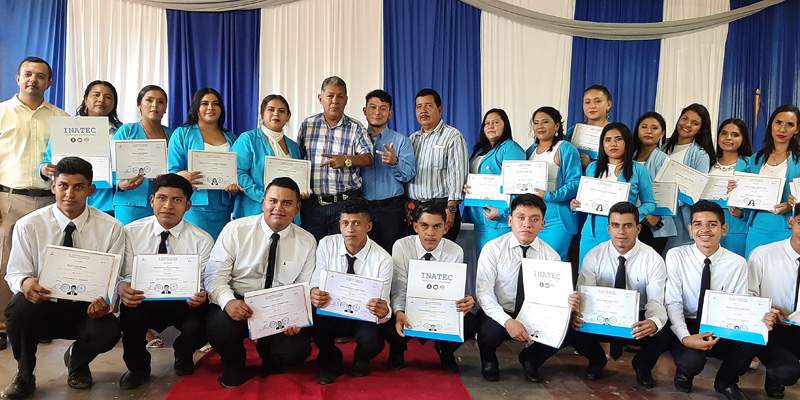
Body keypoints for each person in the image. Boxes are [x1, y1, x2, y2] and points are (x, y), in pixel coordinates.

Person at [1, 157, 124, 398]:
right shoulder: (29, 225)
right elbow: (15, 272)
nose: (69, 194)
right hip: (42, 306)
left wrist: (107, 302)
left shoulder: (111, 228)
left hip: (86, 309)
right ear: (53, 186)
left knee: (109, 329)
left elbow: (115, 276)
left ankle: (78, 362)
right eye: (63, 185)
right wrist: (26, 282)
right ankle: (24, 376)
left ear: (90, 190)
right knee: (18, 308)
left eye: (78, 187)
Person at [204, 177, 316, 388]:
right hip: (239, 299)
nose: (278, 208)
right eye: (273, 201)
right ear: (263, 202)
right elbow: (214, 276)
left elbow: (304, 286)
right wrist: (228, 302)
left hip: (279, 306)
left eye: (287, 203)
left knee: (296, 351)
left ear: (298, 208)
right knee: (220, 327)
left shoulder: (307, 241)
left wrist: (296, 318)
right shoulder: (235, 230)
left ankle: (269, 353)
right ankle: (234, 364)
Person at [665, 200, 776, 400]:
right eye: (698, 224)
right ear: (690, 229)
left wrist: (761, 317)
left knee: (753, 338)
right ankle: (684, 373)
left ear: (724, 229)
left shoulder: (738, 263)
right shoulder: (676, 256)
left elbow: (740, 304)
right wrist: (685, 337)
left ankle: (726, 381)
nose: (704, 229)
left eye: (712, 224)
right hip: (688, 322)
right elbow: (673, 302)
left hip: (721, 324)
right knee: (691, 361)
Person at [116, 173, 214, 390]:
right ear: (152, 200)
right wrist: (121, 287)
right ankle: (138, 368)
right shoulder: (130, 232)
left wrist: (203, 293)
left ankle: (183, 352)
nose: (168, 206)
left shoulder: (202, 239)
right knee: (130, 313)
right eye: (162, 198)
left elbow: (206, 280)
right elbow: (124, 274)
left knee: (201, 324)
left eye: (177, 200)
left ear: (188, 205)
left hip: (185, 302)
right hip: (144, 299)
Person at [0, 57, 69, 353]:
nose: (33, 80)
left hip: (49, 200)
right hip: (8, 197)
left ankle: (41, 323)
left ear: (49, 83)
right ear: (17, 78)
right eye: (28, 74)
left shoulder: (62, 119)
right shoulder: (2, 113)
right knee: (5, 262)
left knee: (49, 263)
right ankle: (3, 326)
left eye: (40, 76)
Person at [571, 201, 672, 388]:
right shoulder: (594, 255)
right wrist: (578, 314)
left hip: (637, 317)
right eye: (616, 225)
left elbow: (656, 301)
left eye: (627, 225)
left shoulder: (653, 259)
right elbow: (585, 295)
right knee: (572, 325)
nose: (621, 231)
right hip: (600, 315)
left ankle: (642, 366)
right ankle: (597, 359)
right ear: (608, 228)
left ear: (638, 229)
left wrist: (653, 322)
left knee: (663, 332)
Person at [475, 194, 565, 382]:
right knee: (487, 330)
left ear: (543, 224)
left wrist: (566, 302)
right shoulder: (492, 249)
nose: (527, 224)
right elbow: (484, 294)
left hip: (535, 313)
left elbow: (554, 298)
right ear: (510, 220)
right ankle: (489, 360)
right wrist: (508, 321)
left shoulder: (552, 256)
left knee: (566, 328)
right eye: (521, 218)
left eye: (534, 219)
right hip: (502, 310)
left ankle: (531, 359)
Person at [309, 197, 392, 385]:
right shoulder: (326, 244)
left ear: (368, 226)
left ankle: (362, 358)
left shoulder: (383, 259)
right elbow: (316, 281)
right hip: (332, 311)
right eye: (345, 223)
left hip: (363, 316)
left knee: (373, 340)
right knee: (314, 314)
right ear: (339, 224)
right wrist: (314, 291)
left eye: (357, 223)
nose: (350, 229)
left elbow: (385, 303)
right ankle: (330, 359)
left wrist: (383, 310)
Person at [387, 202, 477, 373]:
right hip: (409, 306)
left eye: (437, 226)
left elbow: (452, 291)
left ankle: (445, 350)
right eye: (424, 226)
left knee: (471, 321)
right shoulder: (401, 246)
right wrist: (399, 312)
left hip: (439, 309)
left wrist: (464, 300)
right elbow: (399, 286)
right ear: (415, 227)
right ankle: (397, 349)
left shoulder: (455, 251)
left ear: (446, 228)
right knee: (386, 318)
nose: (430, 233)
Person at [297, 76, 374, 242]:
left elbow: (369, 158)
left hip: (345, 204)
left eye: (340, 96)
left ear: (346, 100)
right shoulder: (307, 125)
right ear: (320, 99)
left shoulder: (355, 127)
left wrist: (347, 160)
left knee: (342, 250)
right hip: (313, 205)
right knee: (311, 249)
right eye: (330, 96)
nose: (335, 101)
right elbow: (299, 159)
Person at [570, 123, 656, 265]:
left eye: (618, 139)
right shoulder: (592, 167)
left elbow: (650, 203)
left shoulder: (638, 169)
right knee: (588, 275)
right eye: (608, 140)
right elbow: (584, 199)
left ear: (627, 142)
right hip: (592, 233)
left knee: (622, 274)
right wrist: (576, 203)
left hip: (624, 234)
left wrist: (632, 217)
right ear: (602, 144)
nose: (613, 144)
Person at [41, 80, 123, 216]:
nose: (101, 100)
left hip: (107, 202)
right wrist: (44, 168)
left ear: (114, 103)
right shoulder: (65, 128)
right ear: (86, 99)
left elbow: (124, 167)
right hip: (69, 201)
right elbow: (48, 160)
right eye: (96, 95)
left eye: (108, 97)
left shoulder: (122, 132)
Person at [168, 88, 240, 240]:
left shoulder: (231, 137)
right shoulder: (182, 133)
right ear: (196, 107)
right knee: (194, 248)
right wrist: (183, 176)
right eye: (204, 103)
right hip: (192, 205)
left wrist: (235, 184)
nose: (210, 108)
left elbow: (238, 169)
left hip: (222, 206)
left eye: (216, 104)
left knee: (220, 250)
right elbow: (171, 171)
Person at [731, 105, 800, 257]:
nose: (782, 129)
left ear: (797, 129)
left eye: (790, 125)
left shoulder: (798, 160)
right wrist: (736, 192)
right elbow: (747, 194)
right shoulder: (756, 159)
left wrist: (790, 206)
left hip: (787, 228)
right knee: (754, 268)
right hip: (757, 227)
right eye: (778, 122)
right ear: (771, 125)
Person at [748, 203, 800, 399]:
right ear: (791, 221)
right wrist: (767, 309)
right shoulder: (763, 254)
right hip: (772, 328)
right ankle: (776, 376)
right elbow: (748, 294)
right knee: (786, 372)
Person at [406, 88, 468, 242]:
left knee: (442, 255)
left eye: (428, 105)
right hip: (415, 210)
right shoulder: (412, 139)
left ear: (439, 109)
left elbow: (458, 174)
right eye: (419, 106)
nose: (423, 111)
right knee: (417, 255)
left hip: (442, 208)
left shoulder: (452, 136)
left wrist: (451, 208)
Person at [463, 108, 526, 258]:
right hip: (480, 219)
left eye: (496, 122)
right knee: (484, 266)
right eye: (487, 123)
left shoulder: (510, 148)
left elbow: (520, 186)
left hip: (500, 221)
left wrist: (504, 211)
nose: (490, 126)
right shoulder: (479, 150)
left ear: (505, 125)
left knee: (500, 265)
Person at [360, 89, 416, 252]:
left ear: (390, 114)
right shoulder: (356, 138)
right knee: (364, 254)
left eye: (383, 108)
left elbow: (409, 174)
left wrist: (395, 162)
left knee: (392, 254)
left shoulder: (401, 141)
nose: (377, 112)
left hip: (391, 208)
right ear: (365, 110)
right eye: (373, 107)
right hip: (362, 206)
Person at [231, 94, 303, 219]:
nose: (276, 114)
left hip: (286, 214)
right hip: (253, 210)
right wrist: (264, 198)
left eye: (282, 111)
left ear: (287, 117)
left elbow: (298, 177)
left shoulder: (293, 146)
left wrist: (301, 190)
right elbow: (238, 173)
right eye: (271, 109)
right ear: (262, 114)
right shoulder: (248, 139)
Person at [112, 85, 174, 225]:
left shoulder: (173, 135)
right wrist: (120, 184)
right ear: (139, 105)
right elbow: (111, 164)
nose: (154, 105)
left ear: (165, 108)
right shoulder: (127, 131)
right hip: (130, 201)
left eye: (160, 102)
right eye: (149, 100)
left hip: (164, 203)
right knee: (128, 238)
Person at [526, 106, 582, 260]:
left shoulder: (565, 148)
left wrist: (550, 195)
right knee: (532, 262)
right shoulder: (530, 150)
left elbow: (575, 183)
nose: (540, 126)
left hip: (558, 219)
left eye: (545, 122)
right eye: (536, 122)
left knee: (552, 263)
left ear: (557, 125)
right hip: (532, 217)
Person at [660, 104, 717, 254]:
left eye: (695, 123)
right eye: (685, 119)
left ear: (701, 129)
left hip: (679, 218)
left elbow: (696, 192)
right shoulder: (662, 146)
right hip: (656, 213)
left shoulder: (700, 155)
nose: (687, 125)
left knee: (674, 257)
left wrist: (671, 200)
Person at [711, 119, 752, 257]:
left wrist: (743, 213)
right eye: (724, 133)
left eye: (735, 135)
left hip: (736, 225)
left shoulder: (750, 164)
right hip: (708, 224)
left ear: (743, 140)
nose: (728, 138)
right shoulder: (707, 161)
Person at [632, 112, 671, 255]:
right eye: (644, 127)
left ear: (662, 133)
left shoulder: (665, 160)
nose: (648, 131)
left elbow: (669, 193)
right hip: (629, 219)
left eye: (654, 128)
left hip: (653, 222)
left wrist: (656, 215)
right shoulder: (627, 156)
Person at [565, 85, 612, 169]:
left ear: (608, 104)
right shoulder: (573, 130)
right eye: (587, 102)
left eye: (598, 101)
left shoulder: (615, 132)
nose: (592, 106)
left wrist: (590, 166)